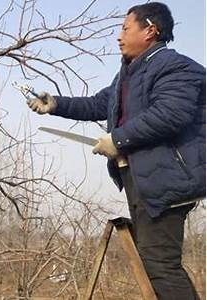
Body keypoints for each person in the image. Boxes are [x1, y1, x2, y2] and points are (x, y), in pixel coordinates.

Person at [27, 2, 204, 299]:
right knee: (153, 263)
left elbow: (170, 115)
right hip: (142, 178)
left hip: (169, 179)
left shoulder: (177, 67)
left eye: (125, 28)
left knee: (161, 265)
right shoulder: (129, 74)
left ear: (150, 30)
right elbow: (100, 104)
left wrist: (117, 140)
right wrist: (56, 105)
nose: (119, 36)